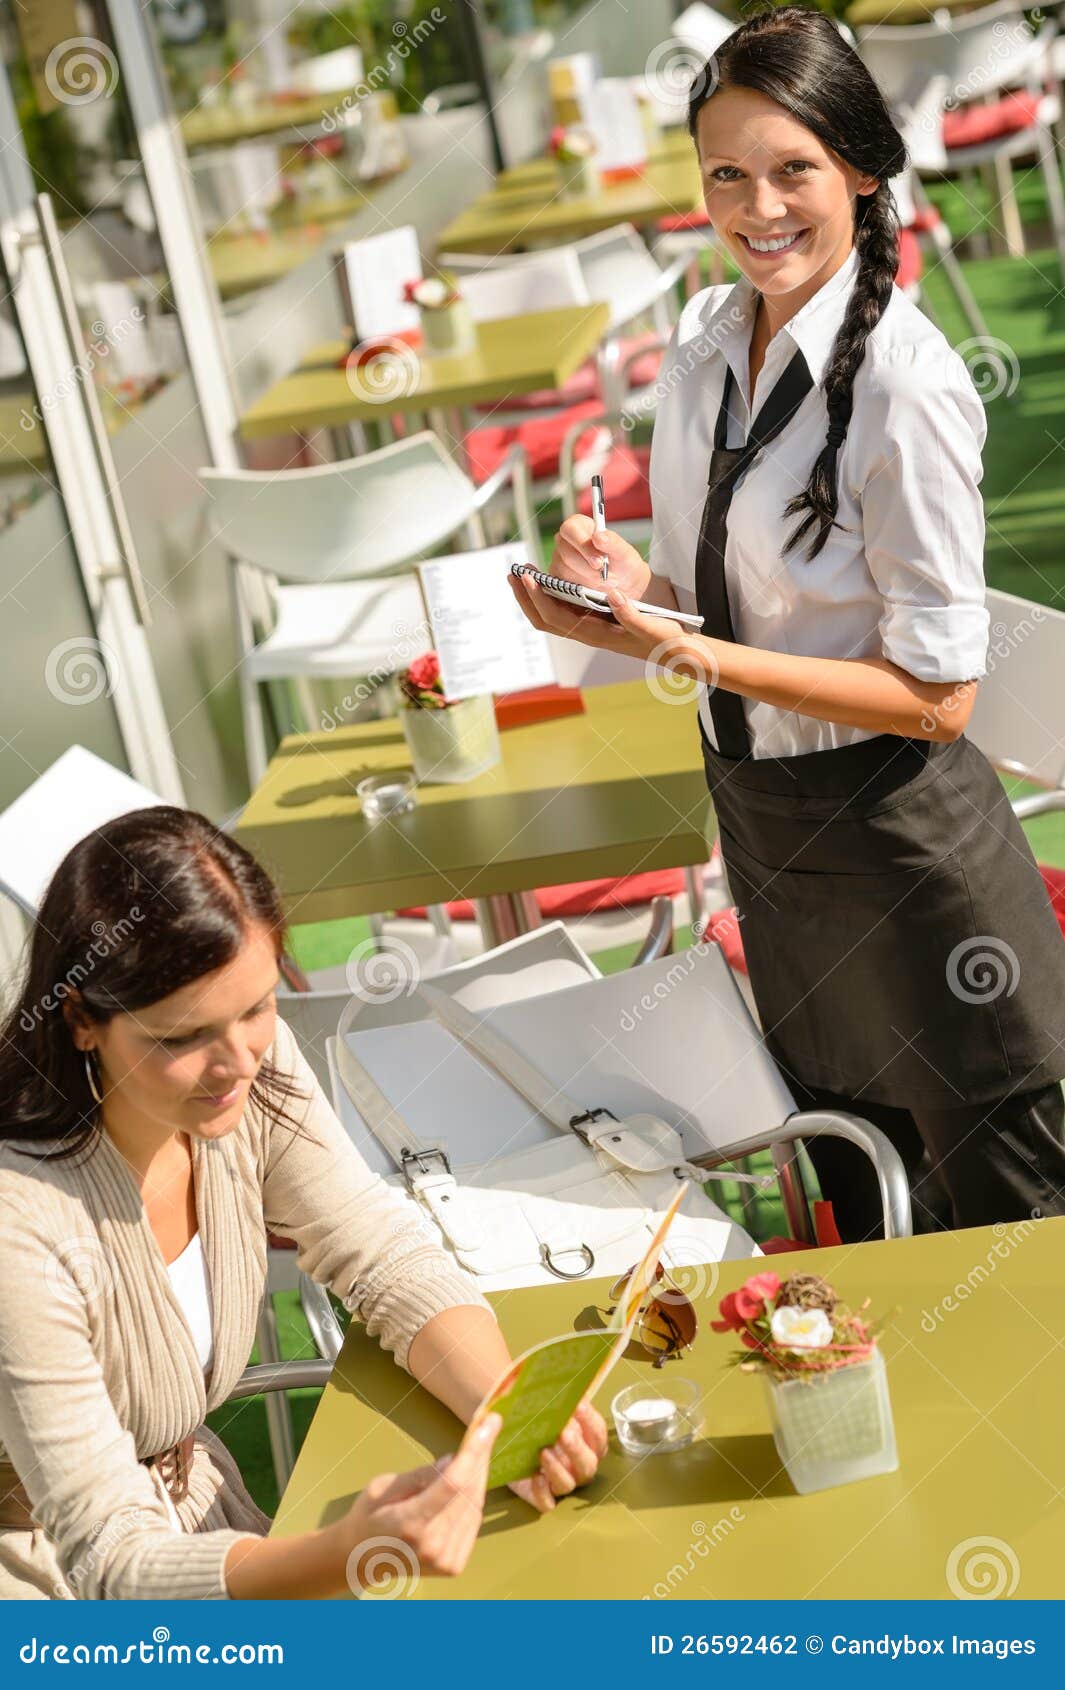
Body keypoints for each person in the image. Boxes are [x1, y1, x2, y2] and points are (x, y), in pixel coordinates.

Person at [511, 5, 1065, 1241]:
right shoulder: (706, 353)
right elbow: (697, 596)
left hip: (911, 854)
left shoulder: (907, 387)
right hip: (769, 835)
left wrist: (696, 653)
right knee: (862, 1220)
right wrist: (621, 594)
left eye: (793, 169)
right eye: (726, 174)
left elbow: (940, 696)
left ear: (863, 171)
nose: (758, 207)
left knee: (1018, 1257)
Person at [0, 808, 605, 1600]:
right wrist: (348, 1550)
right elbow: (111, 1560)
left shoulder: (247, 1069)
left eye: (257, 1007)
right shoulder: (22, 1224)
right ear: (81, 1019)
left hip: (194, 1525)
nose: (235, 1063)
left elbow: (377, 1251)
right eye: (182, 1038)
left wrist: (509, 1412)